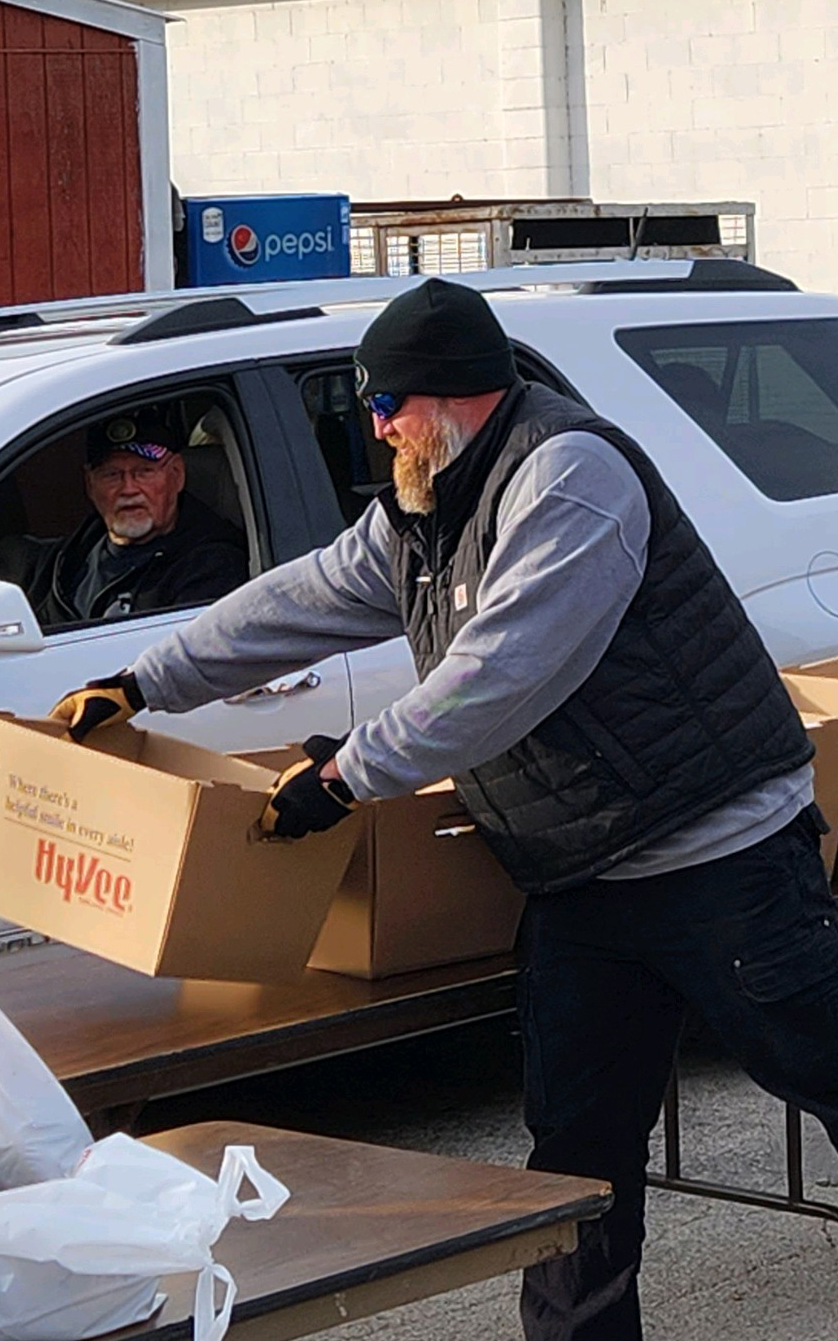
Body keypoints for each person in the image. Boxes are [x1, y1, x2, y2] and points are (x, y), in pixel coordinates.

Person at [50, 278, 838, 1341]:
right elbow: (306, 599)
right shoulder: (425, 506)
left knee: (817, 1066)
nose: (375, 430)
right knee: (573, 1158)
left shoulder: (569, 477)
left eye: (386, 408)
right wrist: (146, 681)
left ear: (455, 396)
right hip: (579, 878)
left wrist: (343, 778)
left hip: (718, 858)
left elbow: (500, 673)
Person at [0, 410, 249, 626]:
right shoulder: (71, 557)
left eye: (144, 472)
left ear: (176, 475)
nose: (128, 489)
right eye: (112, 475)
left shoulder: (211, 567)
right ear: (90, 485)